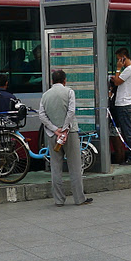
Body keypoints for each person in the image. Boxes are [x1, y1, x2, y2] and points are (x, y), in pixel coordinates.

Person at [39, 70, 92, 206]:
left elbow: (42, 115)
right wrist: (64, 129)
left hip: (53, 135)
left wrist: (55, 129)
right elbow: (71, 111)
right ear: (64, 80)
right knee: (75, 166)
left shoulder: (45, 95)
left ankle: (58, 199)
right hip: (70, 133)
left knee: (55, 168)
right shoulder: (69, 92)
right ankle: (79, 198)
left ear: (52, 81)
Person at [112, 48, 131, 165]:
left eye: (119, 59)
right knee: (127, 132)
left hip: (123, 104)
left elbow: (117, 82)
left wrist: (118, 69)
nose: (118, 62)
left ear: (124, 57)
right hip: (124, 104)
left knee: (128, 133)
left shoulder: (129, 69)